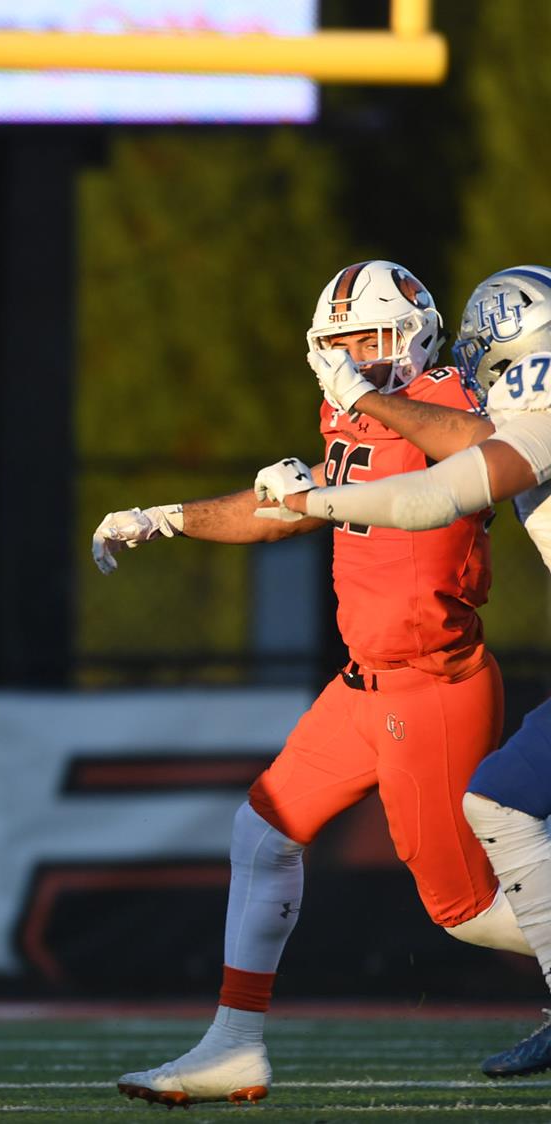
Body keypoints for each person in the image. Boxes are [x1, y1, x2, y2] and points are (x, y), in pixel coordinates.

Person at [94, 260, 529, 1106]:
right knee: (263, 831)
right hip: (362, 686)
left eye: (368, 339)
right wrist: (167, 517)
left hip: (431, 685)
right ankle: (234, 1044)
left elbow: (480, 453)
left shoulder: (453, 392)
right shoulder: (349, 404)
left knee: (465, 910)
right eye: (339, 344)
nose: (354, 357)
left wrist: (367, 397)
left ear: (412, 335)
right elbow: (293, 506)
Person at [261, 264, 551, 1078]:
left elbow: (431, 499)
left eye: (491, 359)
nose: (481, 376)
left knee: (491, 823)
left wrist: (311, 501)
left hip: (435, 675)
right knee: (500, 805)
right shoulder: (506, 408)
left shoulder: (527, 419)